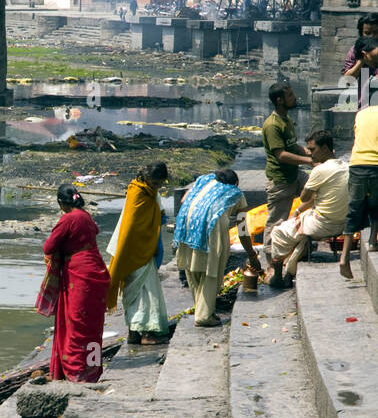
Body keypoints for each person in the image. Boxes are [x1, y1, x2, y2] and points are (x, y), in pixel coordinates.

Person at [174, 170, 262, 327]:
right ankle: (204, 316)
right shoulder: (236, 194)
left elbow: (183, 200)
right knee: (211, 271)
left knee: (193, 268)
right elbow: (242, 229)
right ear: (235, 184)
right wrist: (252, 255)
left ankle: (202, 309)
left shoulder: (203, 183)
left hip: (188, 223)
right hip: (213, 227)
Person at [42, 183, 110, 382]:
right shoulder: (86, 216)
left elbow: (49, 245)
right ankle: (93, 370)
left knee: (76, 326)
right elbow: (94, 231)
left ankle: (77, 372)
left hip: (79, 275)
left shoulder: (68, 218)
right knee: (94, 327)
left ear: (61, 203)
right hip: (97, 270)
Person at [268, 130, 349, 285]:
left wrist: (313, 173)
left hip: (321, 225)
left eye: (312, 150)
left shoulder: (320, 170)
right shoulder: (346, 167)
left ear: (325, 149)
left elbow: (304, 197)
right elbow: (318, 198)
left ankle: (277, 275)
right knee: (296, 231)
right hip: (341, 224)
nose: (310, 154)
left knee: (277, 232)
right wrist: (298, 211)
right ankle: (290, 271)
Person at [106, 161, 169, 345]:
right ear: (148, 177)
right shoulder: (137, 192)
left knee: (138, 294)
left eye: (160, 184)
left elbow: (151, 218)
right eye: (155, 183)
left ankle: (134, 333)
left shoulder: (150, 192)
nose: (157, 187)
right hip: (133, 250)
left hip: (143, 248)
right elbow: (132, 226)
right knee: (146, 294)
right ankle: (147, 334)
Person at [261, 82, 312, 266]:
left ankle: (303, 239)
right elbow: (281, 155)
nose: (294, 97)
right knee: (275, 223)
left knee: (316, 189)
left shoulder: (287, 120)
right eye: (290, 95)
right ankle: (271, 263)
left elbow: (292, 146)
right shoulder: (272, 125)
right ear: (279, 100)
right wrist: (309, 161)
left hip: (295, 175)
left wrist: (307, 152)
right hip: (280, 180)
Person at [339, 103, 378, 280]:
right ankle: (372, 242)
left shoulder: (361, 114)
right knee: (376, 207)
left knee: (353, 210)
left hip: (357, 165)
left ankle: (344, 257)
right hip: (376, 166)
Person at [342, 15, 378, 110]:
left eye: (375, 33)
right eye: (367, 33)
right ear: (361, 33)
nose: (372, 37)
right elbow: (347, 81)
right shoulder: (355, 51)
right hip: (364, 108)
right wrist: (361, 60)